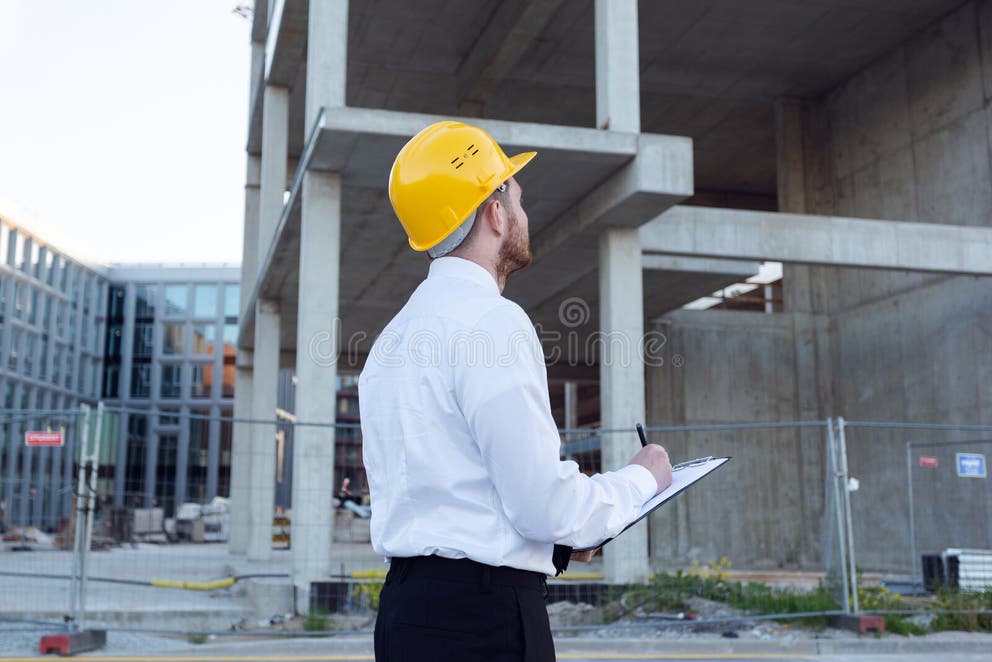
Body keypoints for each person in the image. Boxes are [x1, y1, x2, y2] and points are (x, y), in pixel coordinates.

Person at [359, 120, 673, 662]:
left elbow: (462, 499)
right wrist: (643, 479)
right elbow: (543, 505)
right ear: (495, 213)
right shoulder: (493, 322)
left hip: (403, 618)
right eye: (518, 201)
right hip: (483, 621)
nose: (524, 215)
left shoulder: (390, 342)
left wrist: (562, 537)